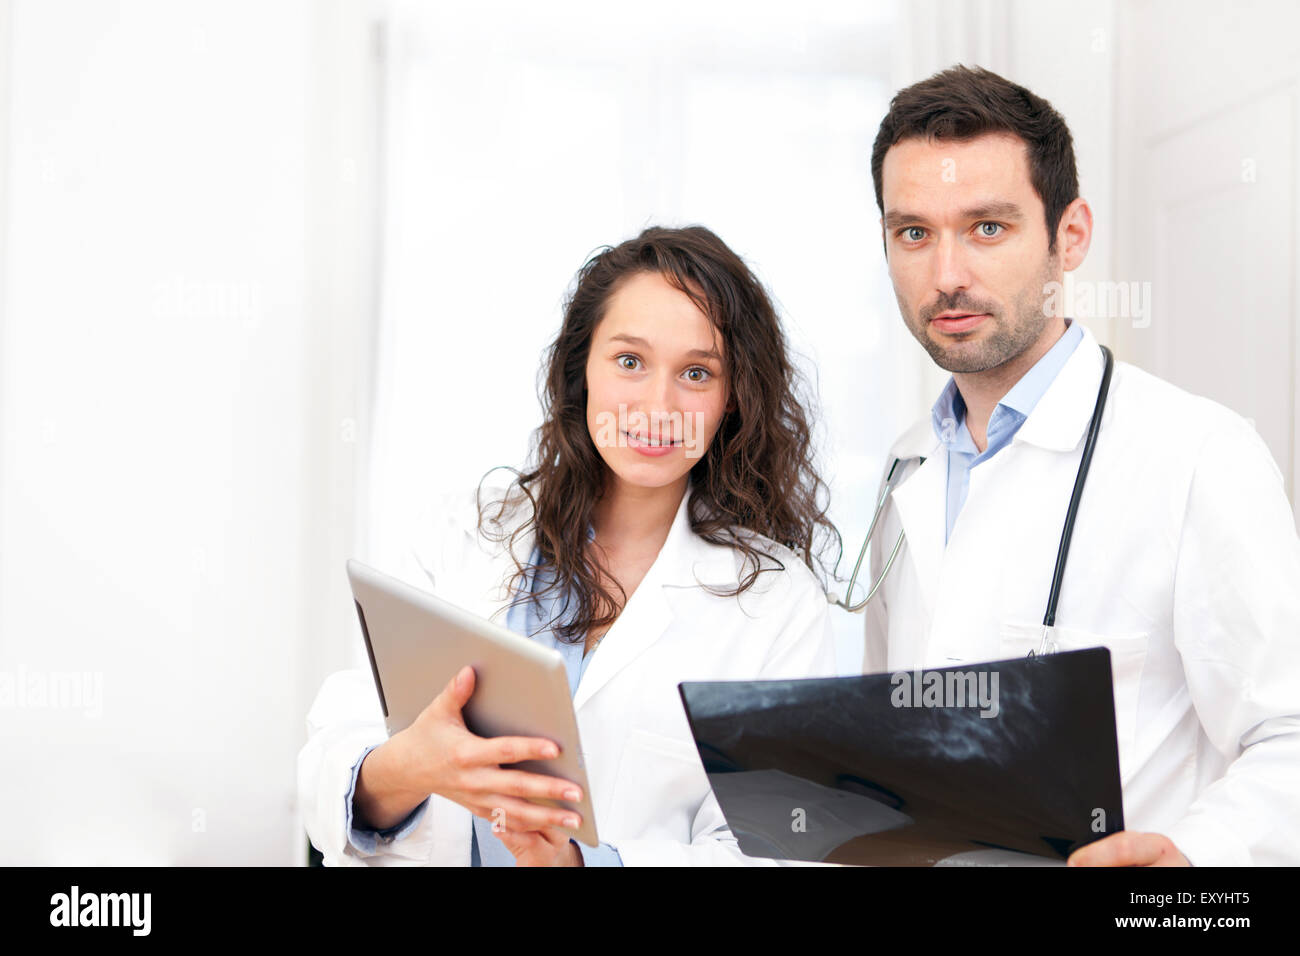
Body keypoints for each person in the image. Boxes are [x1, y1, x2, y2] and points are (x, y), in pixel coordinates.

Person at [862, 64, 1300, 866]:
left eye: (988, 227)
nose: (947, 273)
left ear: (1070, 236)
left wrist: (1193, 857)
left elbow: (1290, 732)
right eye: (914, 232)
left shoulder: (1200, 455)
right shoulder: (907, 468)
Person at [298, 225, 840, 866]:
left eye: (696, 373)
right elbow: (334, 756)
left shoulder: (777, 603)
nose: (657, 405)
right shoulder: (464, 534)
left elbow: (775, 851)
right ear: (583, 368)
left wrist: (590, 865)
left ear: (733, 400)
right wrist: (408, 767)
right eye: (630, 361)